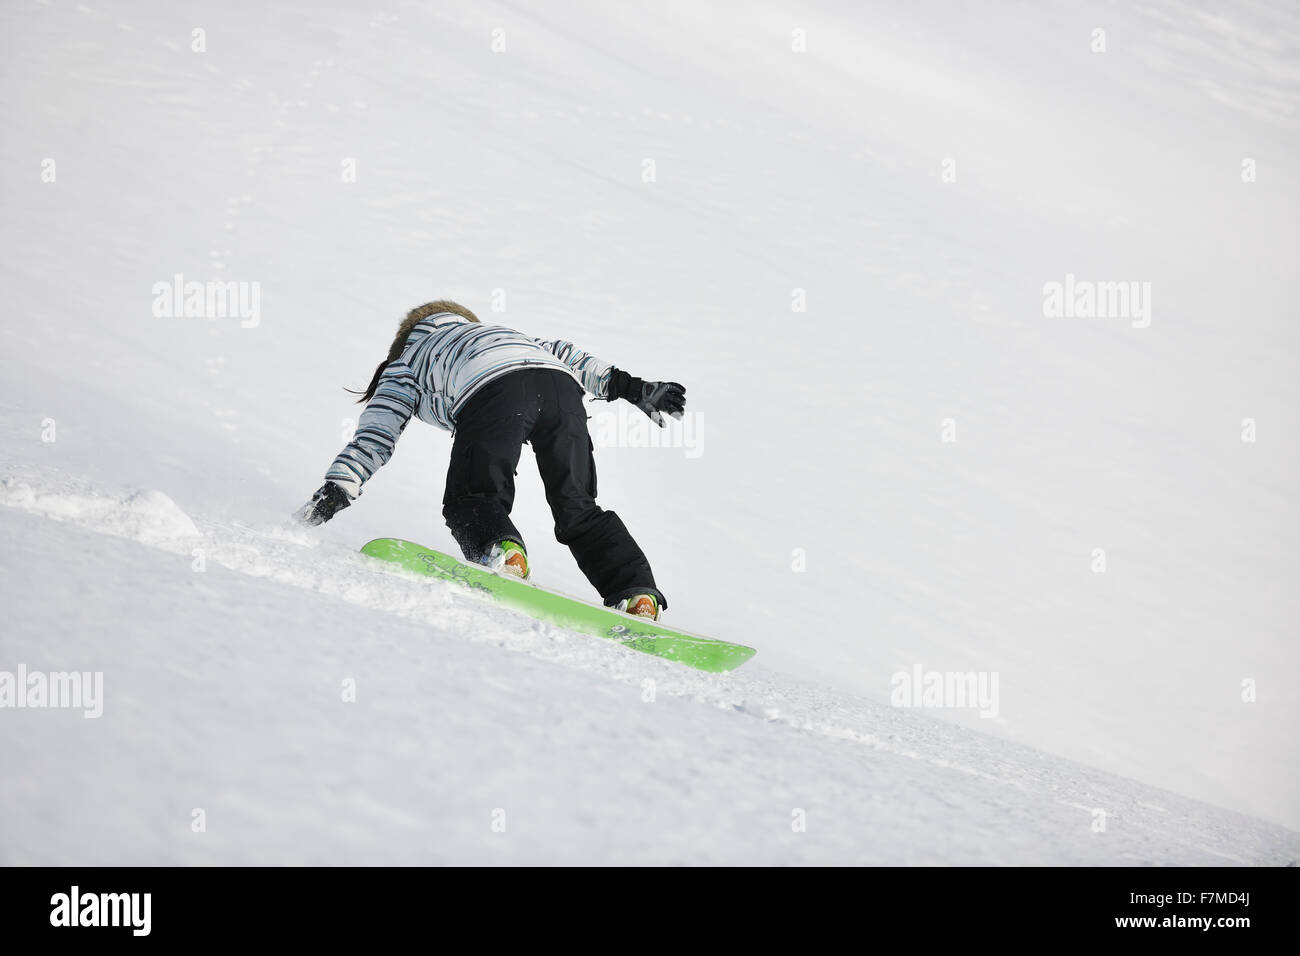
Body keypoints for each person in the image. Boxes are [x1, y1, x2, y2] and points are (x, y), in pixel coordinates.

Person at [294, 300, 685, 620]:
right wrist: (635, 389)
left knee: (472, 498)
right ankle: (636, 593)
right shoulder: (502, 334)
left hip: (495, 391)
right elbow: (571, 356)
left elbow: (376, 435)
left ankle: (502, 552)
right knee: (579, 509)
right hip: (560, 388)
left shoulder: (407, 361)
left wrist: (339, 486)